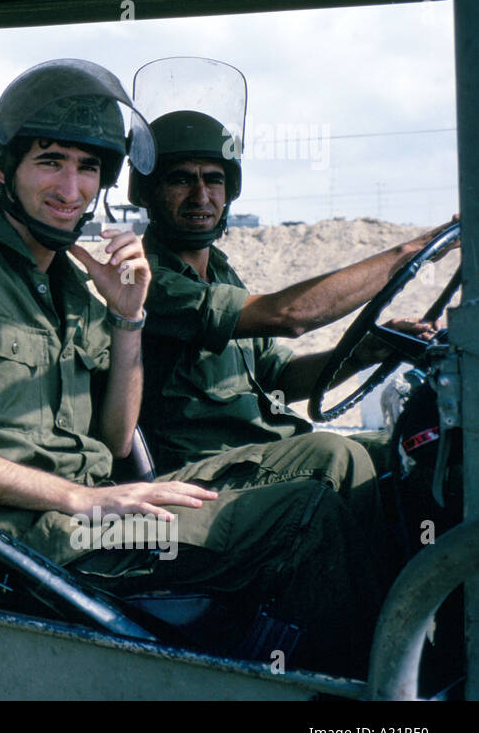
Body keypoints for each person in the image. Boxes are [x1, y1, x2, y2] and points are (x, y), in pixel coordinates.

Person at [0, 60, 384, 676]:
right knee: (305, 510)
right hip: (25, 538)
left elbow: (114, 438)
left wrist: (130, 317)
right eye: (50, 161)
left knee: (348, 462)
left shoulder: (76, 278)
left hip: (92, 511)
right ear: (4, 169)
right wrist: (78, 498)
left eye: (88, 168)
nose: (71, 187)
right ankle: (348, 712)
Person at [130, 107, 455, 483]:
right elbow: (290, 315)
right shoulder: (149, 282)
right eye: (180, 180)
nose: (201, 196)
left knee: (407, 449)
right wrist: (410, 253)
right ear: (149, 193)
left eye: (214, 180)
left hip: (264, 458)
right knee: (335, 454)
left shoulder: (221, 275)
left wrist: (367, 350)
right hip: (205, 474)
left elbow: (279, 378)